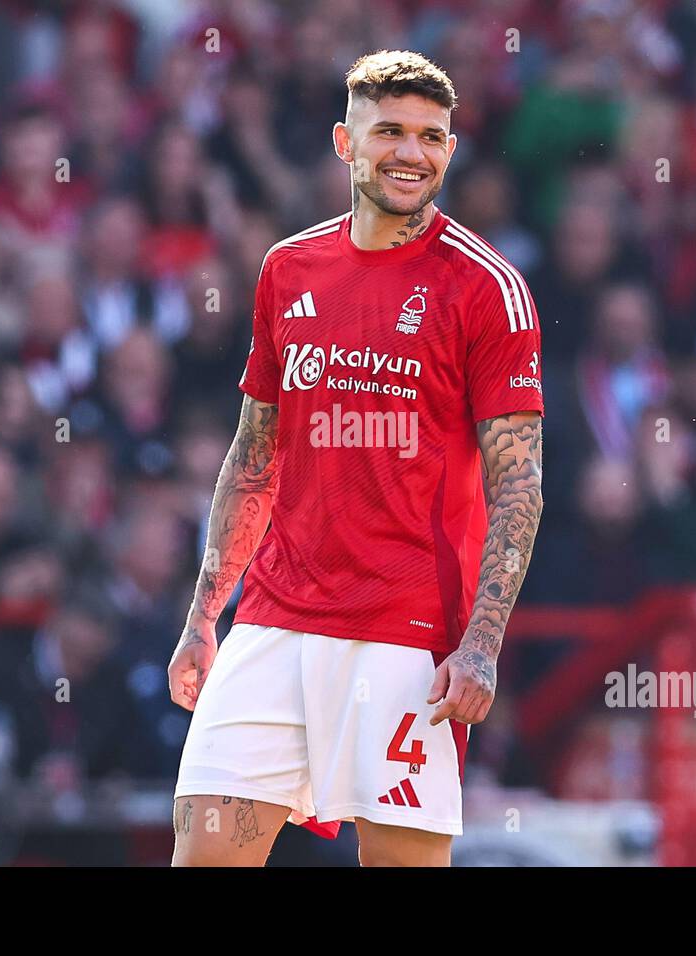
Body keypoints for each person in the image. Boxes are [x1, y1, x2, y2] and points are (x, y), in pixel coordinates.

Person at [167, 50, 545, 867]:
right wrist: (205, 613)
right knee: (200, 854)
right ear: (346, 143)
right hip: (270, 620)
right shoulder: (287, 268)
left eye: (432, 137)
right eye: (391, 132)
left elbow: (520, 485)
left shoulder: (488, 288)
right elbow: (253, 457)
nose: (412, 152)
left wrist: (481, 642)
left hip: (406, 635)